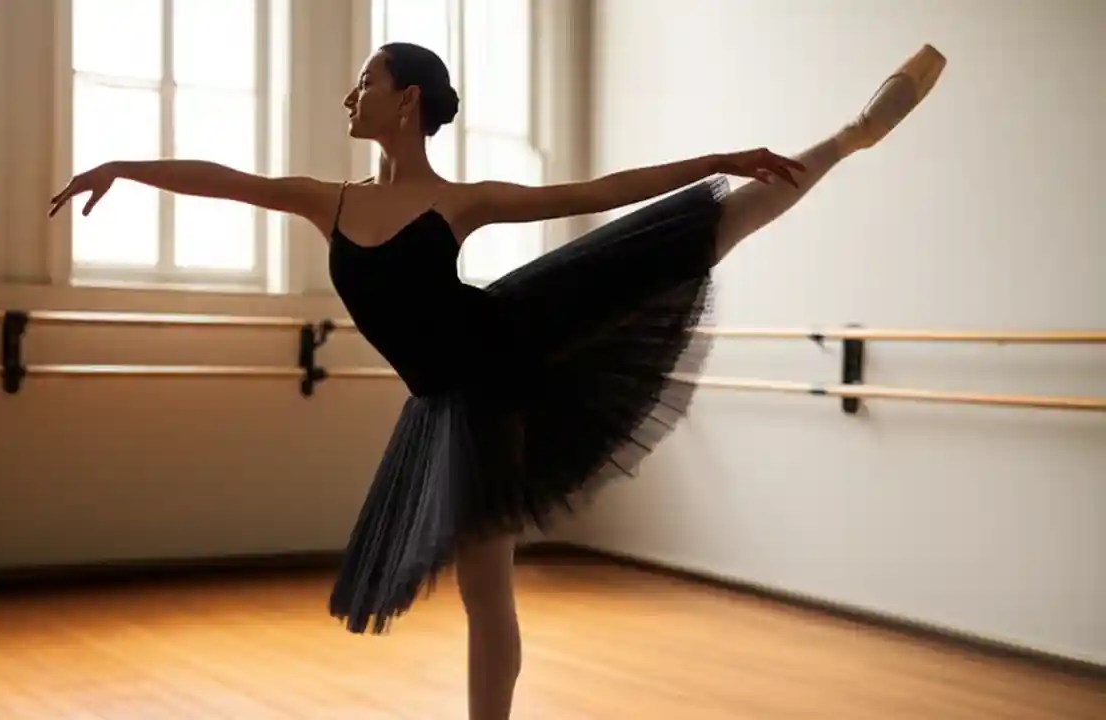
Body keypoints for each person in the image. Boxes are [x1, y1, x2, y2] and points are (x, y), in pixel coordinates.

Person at [50, 41, 946, 720]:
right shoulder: (331, 200)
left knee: (688, 234)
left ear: (406, 100)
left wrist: (713, 161)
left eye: (364, 82)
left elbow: (598, 192)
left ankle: (846, 138)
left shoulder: (460, 201)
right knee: (488, 589)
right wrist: (124, 168)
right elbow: (226, 181)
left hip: (505, 352)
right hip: (445, 398)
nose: (349, 97)